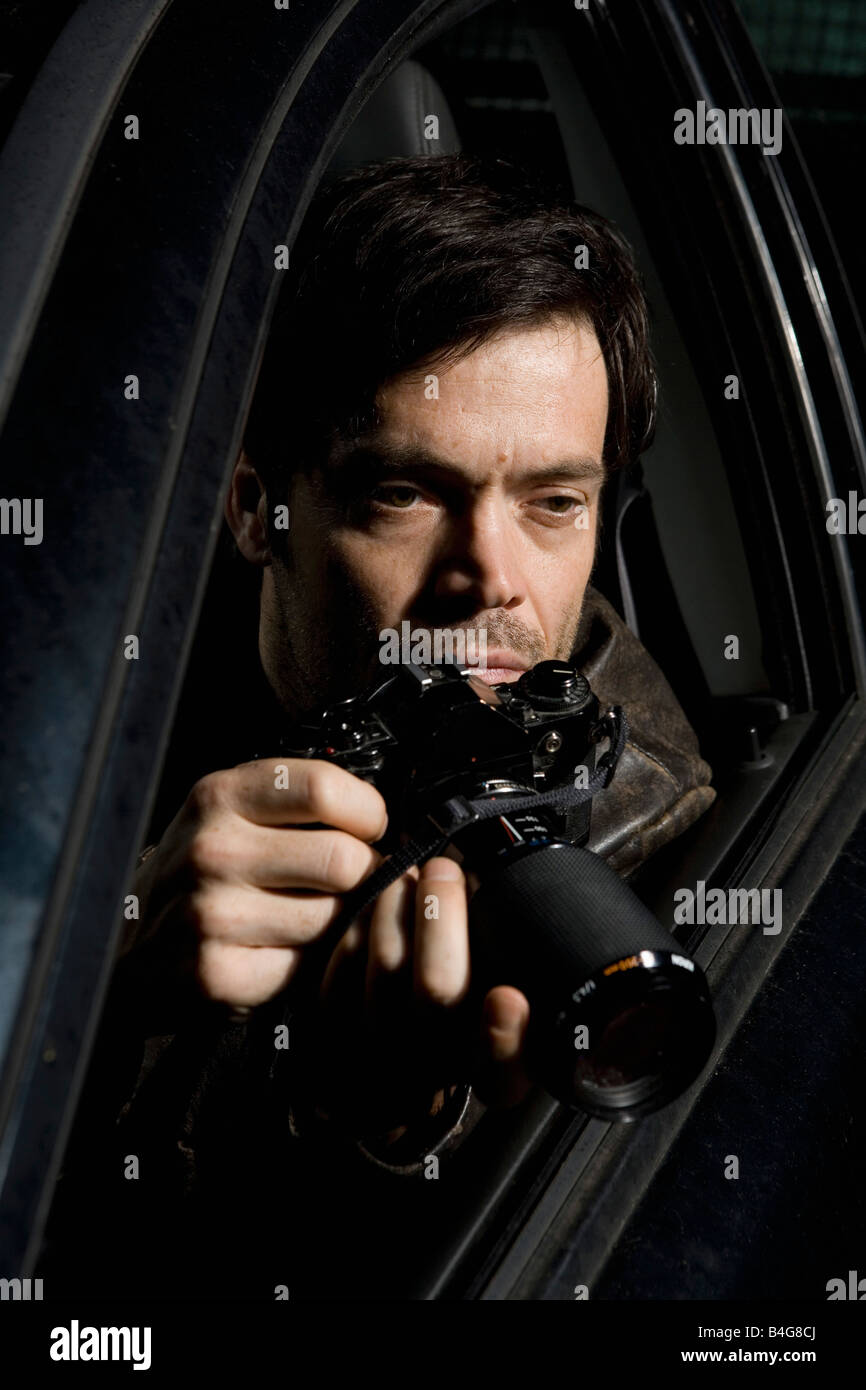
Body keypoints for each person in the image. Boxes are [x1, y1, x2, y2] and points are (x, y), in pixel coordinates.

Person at [39, 154, 714, 1299]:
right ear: (255, 505)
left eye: (553, 501)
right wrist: (100, 990)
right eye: (403, 493)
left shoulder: (637, 854)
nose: (492, 580)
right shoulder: (77, 669)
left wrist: (389, 1133)